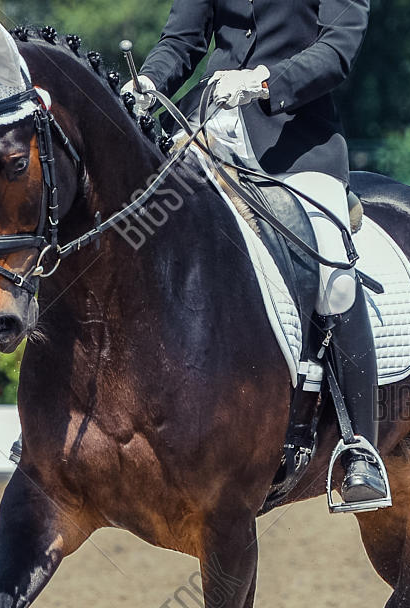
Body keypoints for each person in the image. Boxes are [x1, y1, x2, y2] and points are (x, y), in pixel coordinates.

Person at [128, 0, 387, 508]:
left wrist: (263, 81)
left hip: (294, 148)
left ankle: (360, 447)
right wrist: (149, 84)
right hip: (207, 136)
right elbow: (182, 41)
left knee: (333, 272)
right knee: (129, 230)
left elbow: (336, 51)